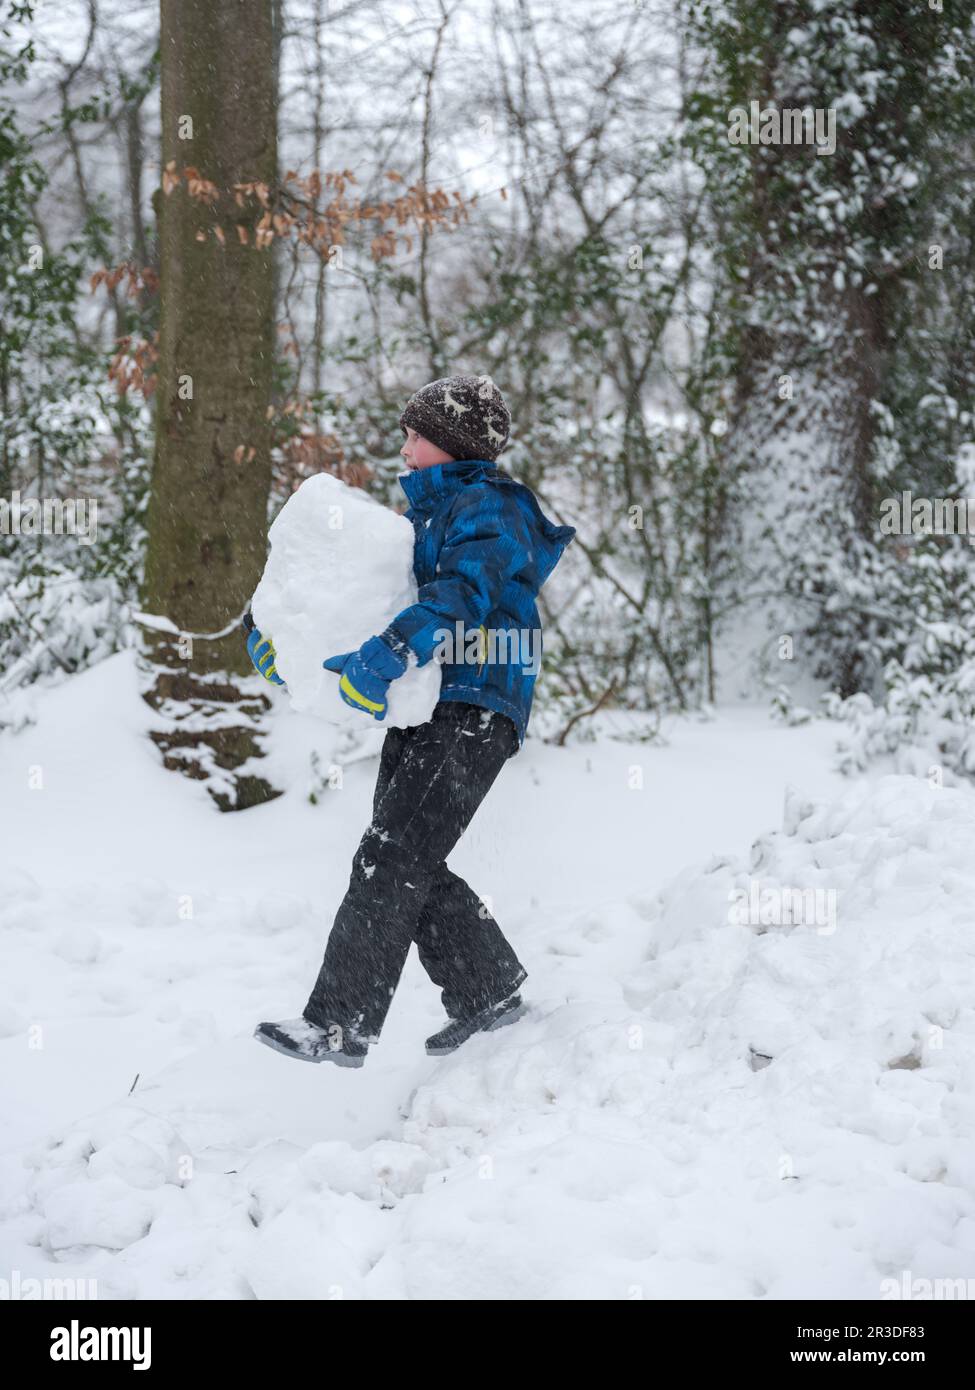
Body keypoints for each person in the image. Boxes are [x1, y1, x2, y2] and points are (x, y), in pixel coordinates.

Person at [246, 374, 576, 1066]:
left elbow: (461, 595)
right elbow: (375, 605)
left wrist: (394, 649)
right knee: (404, 856)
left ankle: (337, 1024)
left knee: (391, 855)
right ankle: (486, 990)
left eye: (415, 435)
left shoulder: (490, 507)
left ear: (451, 445)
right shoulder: (424, 519)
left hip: (478, 701)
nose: (404, 445)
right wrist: (293, 646)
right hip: (427, 704)